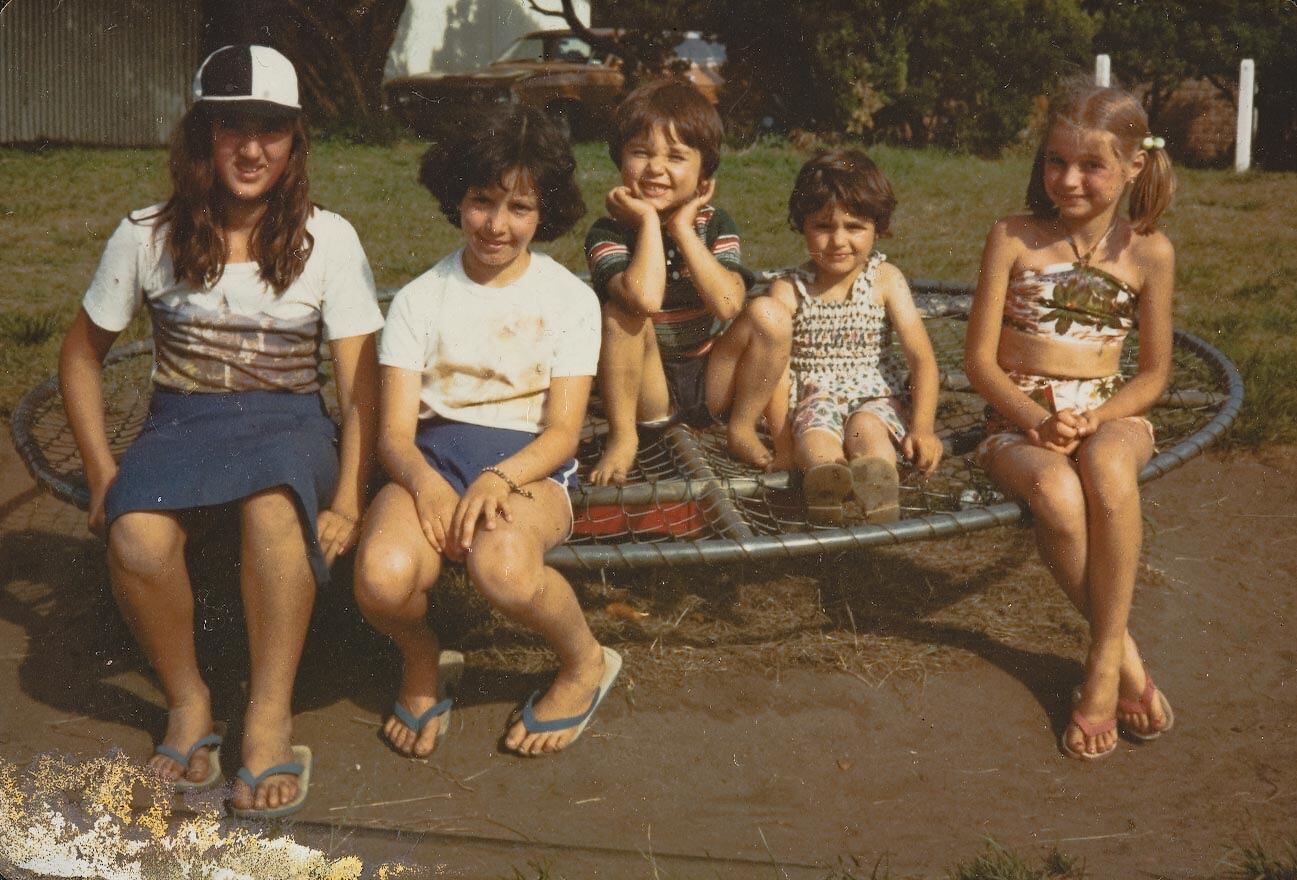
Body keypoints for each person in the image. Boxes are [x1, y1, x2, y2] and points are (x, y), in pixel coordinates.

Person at [58, 45, 383, 816]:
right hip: (184, 421)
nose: (249, 149)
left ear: (294, 143)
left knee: (273, 508)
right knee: (136, 534)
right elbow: (79, 357)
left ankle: (269, 716)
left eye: (269, 130)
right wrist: (105, 473)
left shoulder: (327, 238)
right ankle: (189, 701)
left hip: (287, 423)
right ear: (199, 137)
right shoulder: (145, 234)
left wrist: (348, 495)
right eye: (229, 127)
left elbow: (361, 383)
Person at [353, 103, 621, 760]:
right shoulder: (420, 299)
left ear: (544, 211)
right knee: (381, 577)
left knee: (500, 566)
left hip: (527, 467)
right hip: (433, 459)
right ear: (456, 198)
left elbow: (562, 432)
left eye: (520, 208)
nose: (497, 225)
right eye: (481, 202)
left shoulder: (567, 299)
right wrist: (425, 485)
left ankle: (585, 662)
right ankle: (422, 657)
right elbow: (392, 435)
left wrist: (500, 477)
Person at [963, 80, 1177, 760]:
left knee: (1107, 465)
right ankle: (1123, 661)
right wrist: (1033, 417)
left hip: (1109, 408)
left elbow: (1153, 375)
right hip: (1017, 416)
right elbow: (978, 363)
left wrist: (1095, 416)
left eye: (1090, 165)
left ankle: (1097, 671)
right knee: (1056, 491)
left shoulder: (1148, 252)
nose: (1068, 179)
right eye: (1056, 161)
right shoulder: (1013, 238)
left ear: (1132, 166)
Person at [585, 79, 793, 482]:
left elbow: (728, 305)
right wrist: (647, 221)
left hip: (711, 375)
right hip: (647, 384)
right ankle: (624, 437)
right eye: (640, 153)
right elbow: (643, 300)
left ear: (704, 174)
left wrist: (682, 228)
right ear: (619, 160)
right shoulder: (608, 232)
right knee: (620, 313)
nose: (656, 168)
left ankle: (742, 426)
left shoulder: (714, 225)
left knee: (771, 313)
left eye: (676, 157)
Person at [763, 150, 942, 525]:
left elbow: (921, 358)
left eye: (854, 227)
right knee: (815, 438)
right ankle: (825, 484)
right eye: (823, 226)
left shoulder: (885, 279)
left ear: (877, 226)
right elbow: (776, 374)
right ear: (803, 225)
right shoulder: (789, 289)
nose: (838, 241)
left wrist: (923, 428)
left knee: (869, 431)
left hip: (874, 395)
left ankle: (877, 484)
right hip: (814, 395)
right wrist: (783, 447)